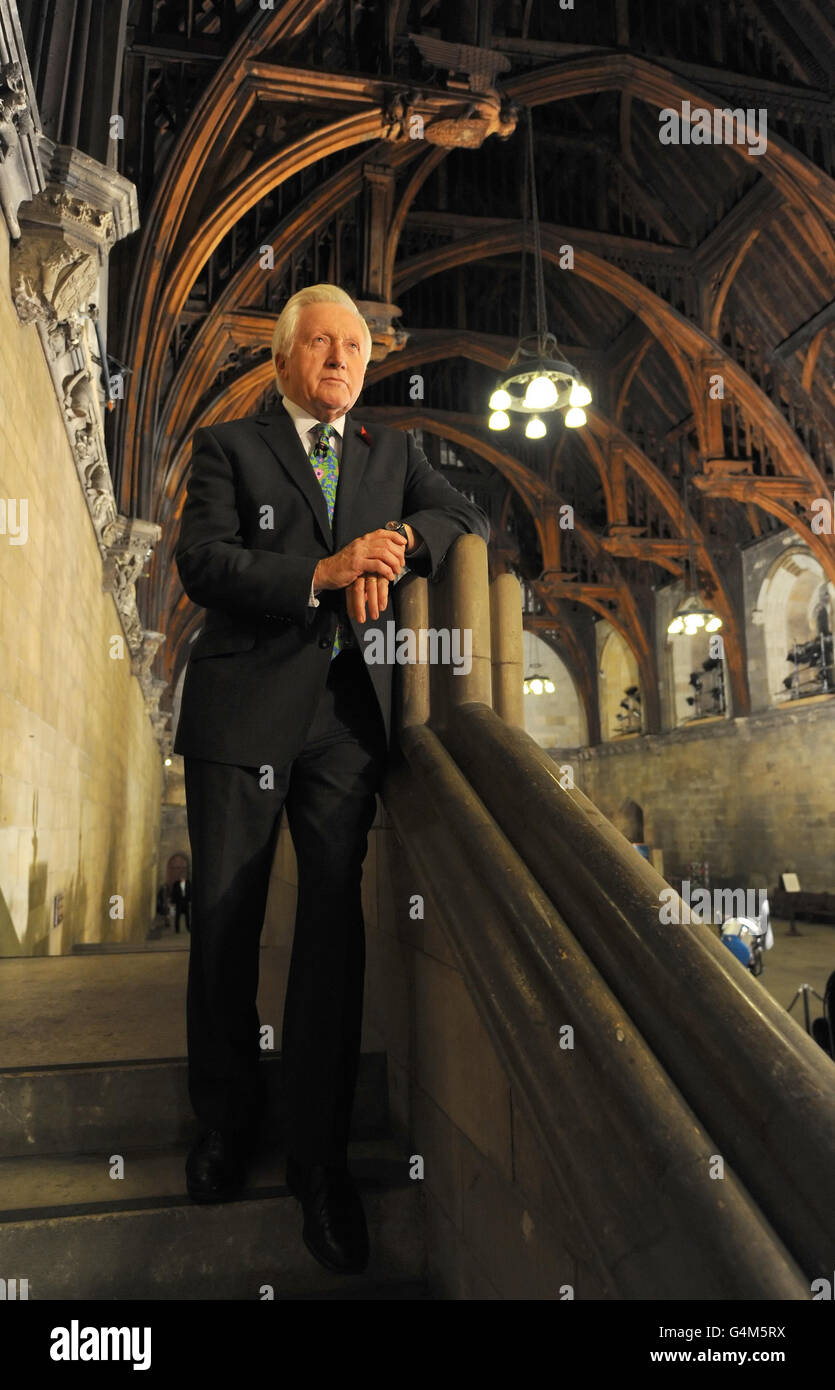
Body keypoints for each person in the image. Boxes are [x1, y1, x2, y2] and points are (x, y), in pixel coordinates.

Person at [173, 284, 490, 1274]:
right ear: (283, 358)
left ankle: (319, 1165)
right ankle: (225, 1121)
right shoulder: (231, 446)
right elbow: (204, 564)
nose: (344, 357)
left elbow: (465, 518)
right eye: (322, 341)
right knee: (224, 921)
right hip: (241, 711)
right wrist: (323, 569)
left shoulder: (390, 455)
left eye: (356, 345)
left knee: (331, 933)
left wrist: (398, 544)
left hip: (346, 721)